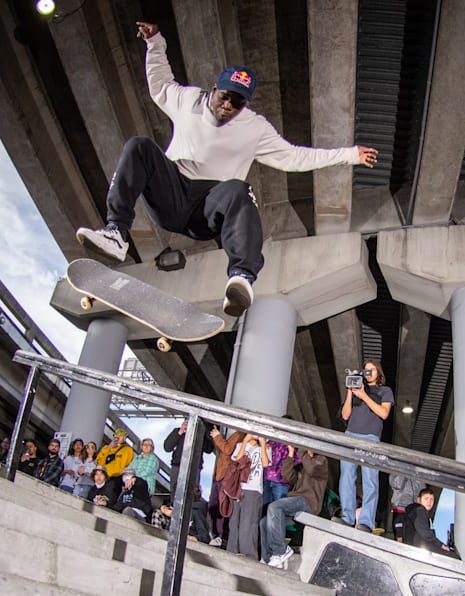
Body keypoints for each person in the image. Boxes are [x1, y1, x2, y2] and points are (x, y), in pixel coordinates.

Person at [74, 21, 379, 318]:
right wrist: (155, 43)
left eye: (238, 103)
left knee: (238, 188)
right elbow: (160, 84)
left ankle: (242, 277)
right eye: (225, 97)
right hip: (172, 191)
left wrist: (349, 154)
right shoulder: (189, 100)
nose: (229, 107)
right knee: (139, 147)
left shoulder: (256, 127)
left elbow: (294, 157)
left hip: (208, 206)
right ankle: (116, 232)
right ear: (213, 89)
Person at [338, 359, 392, 533]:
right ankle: (347, 517)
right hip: (351, 435)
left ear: (378, 373)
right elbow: (345, 416)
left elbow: (384, 413)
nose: (367, 373)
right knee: (346, 477)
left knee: (370, 481)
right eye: (365, 370)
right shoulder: (357, 391)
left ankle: (366, 522)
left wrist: (364, 396)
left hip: (371, 438)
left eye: (371, 370)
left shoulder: (385, 391)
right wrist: (350, 392)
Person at [261, 445, 329, 569]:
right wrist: (291, 454)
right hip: (296, 501)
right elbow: (288, 477)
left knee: (275, 507)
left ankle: (280, 551)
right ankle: (268, 557)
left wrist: (303, 452)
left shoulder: (321, 462)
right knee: (264, 522)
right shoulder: (303, 465)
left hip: (309, 501)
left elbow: (312, 469)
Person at [225, 434, 269, 560]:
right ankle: (232, 550)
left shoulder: (266, 448)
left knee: (249, 522)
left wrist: (262, 444)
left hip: (254, 488)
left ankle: (249, 554)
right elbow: (237, 459)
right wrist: (245, 441)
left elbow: (265, 464)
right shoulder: (240, 445)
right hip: (238, 487)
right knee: (234, 521)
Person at [402, 488, 459, 559]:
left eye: (431, 499)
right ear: (419, 500)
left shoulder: (416, 512)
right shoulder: (420, 510)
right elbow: (424, 532)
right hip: (420, 548)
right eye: (426, 498)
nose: (429, 502)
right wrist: (440, 545)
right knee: (454, 557)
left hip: (414, 548)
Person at [390, 473, 424, 542]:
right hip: (400, 511)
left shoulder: (417, 474)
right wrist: (406, 469)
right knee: (401, 540)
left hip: (414, 512)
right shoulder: (395, 472)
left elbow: (423, 491)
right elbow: (397, 484)